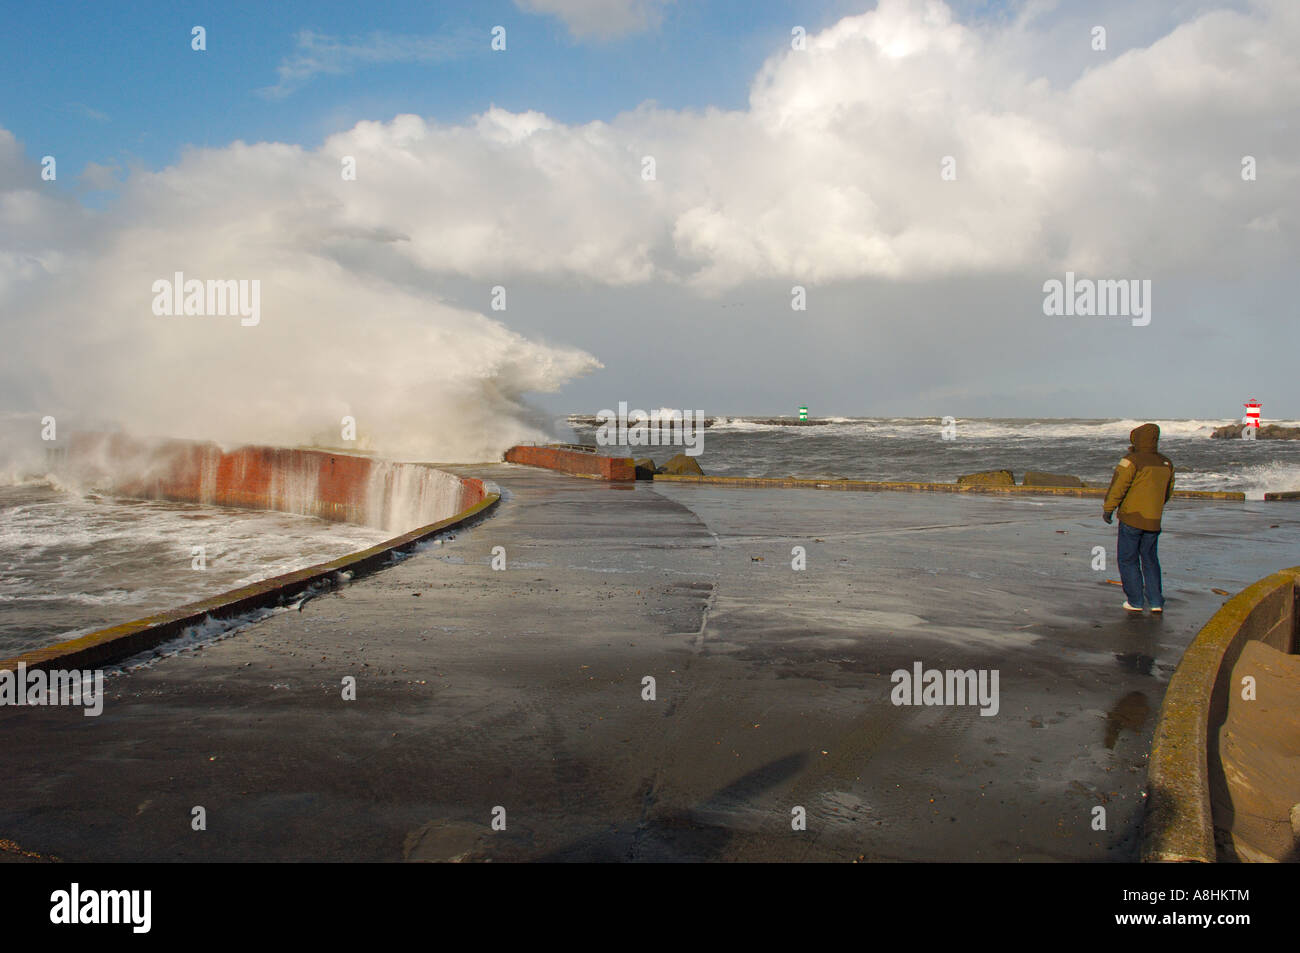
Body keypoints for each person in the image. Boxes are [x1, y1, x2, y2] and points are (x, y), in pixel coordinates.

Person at [1102, 423, 1175, 613]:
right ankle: (1156, 601)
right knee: (1150, 559)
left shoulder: (1131, 461)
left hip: (1131, 518)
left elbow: (1118, 487)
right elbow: (1167, 493)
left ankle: (1135, 601)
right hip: (1154, 519)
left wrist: (1108, 509)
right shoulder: (1166, 463)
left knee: (1128, 559)